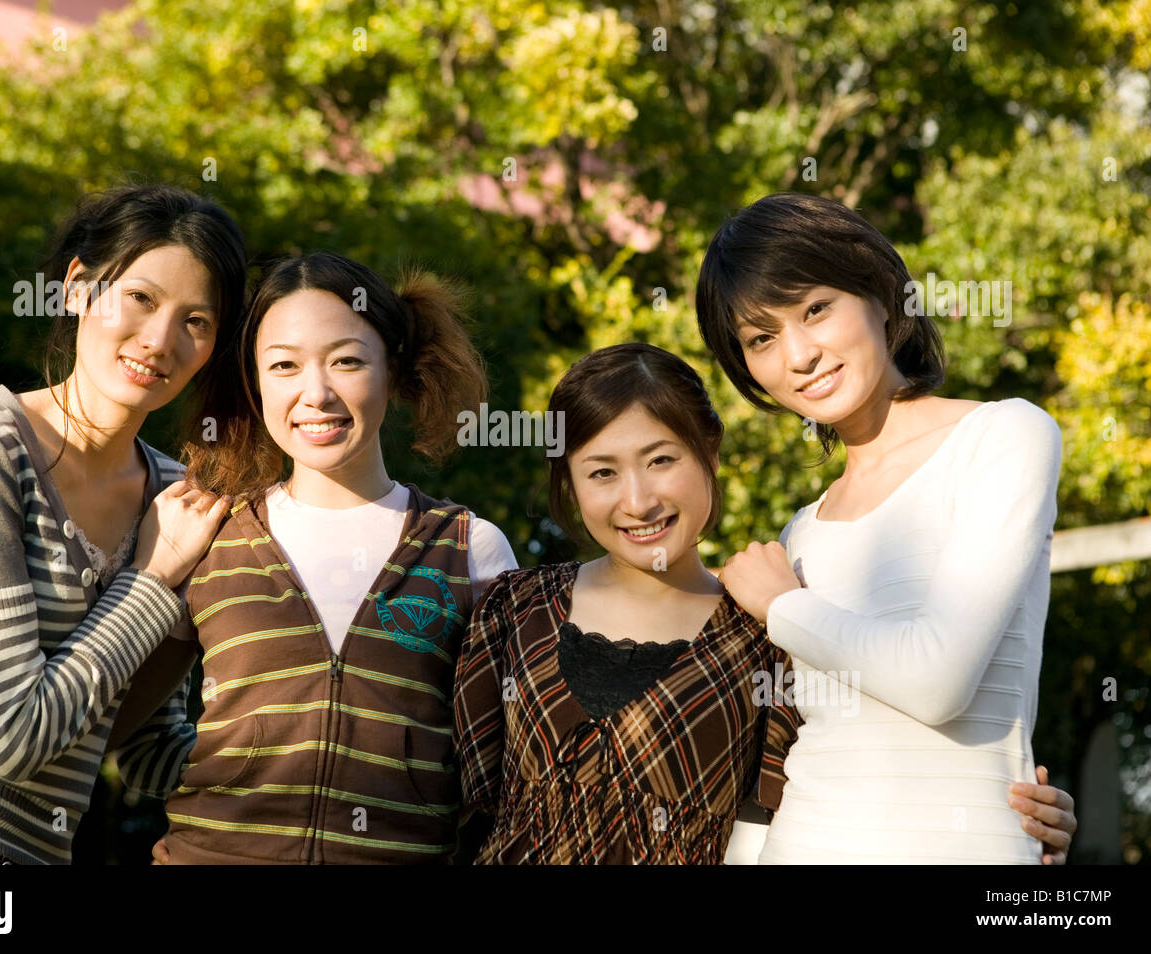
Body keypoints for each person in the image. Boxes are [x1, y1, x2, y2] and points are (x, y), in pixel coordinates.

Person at [0, 184, 245, 865]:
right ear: (76, 287)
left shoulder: (172, 501)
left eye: (196, 321)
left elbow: (145, 751)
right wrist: (153, 582)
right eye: (140, 298)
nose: (159, 340)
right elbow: (15, 737)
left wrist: (311, 760)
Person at [699, 191, 1077, 863]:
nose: (799, 355)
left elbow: (937, 683)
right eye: (761, 338)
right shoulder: (800, 534)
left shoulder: (1004, 434)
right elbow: (780, 760)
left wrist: (782, 605)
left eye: (815, 309)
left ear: (878, 295)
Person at [141, 252, 518, 863]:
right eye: (284, 365)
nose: (315, 393)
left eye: (346, 360)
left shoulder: (470, 549)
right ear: (254, 381)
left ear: (392, 371)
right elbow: (126, 724)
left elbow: (505, 764)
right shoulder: (209, 535)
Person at [454, 344, 803, 864]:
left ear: (710, 451)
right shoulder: (513, 610)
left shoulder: (764, 636)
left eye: (661, 460)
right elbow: (462, 811)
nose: (638, 501)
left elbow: (776, 831)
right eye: (602, 472)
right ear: (569, 480)